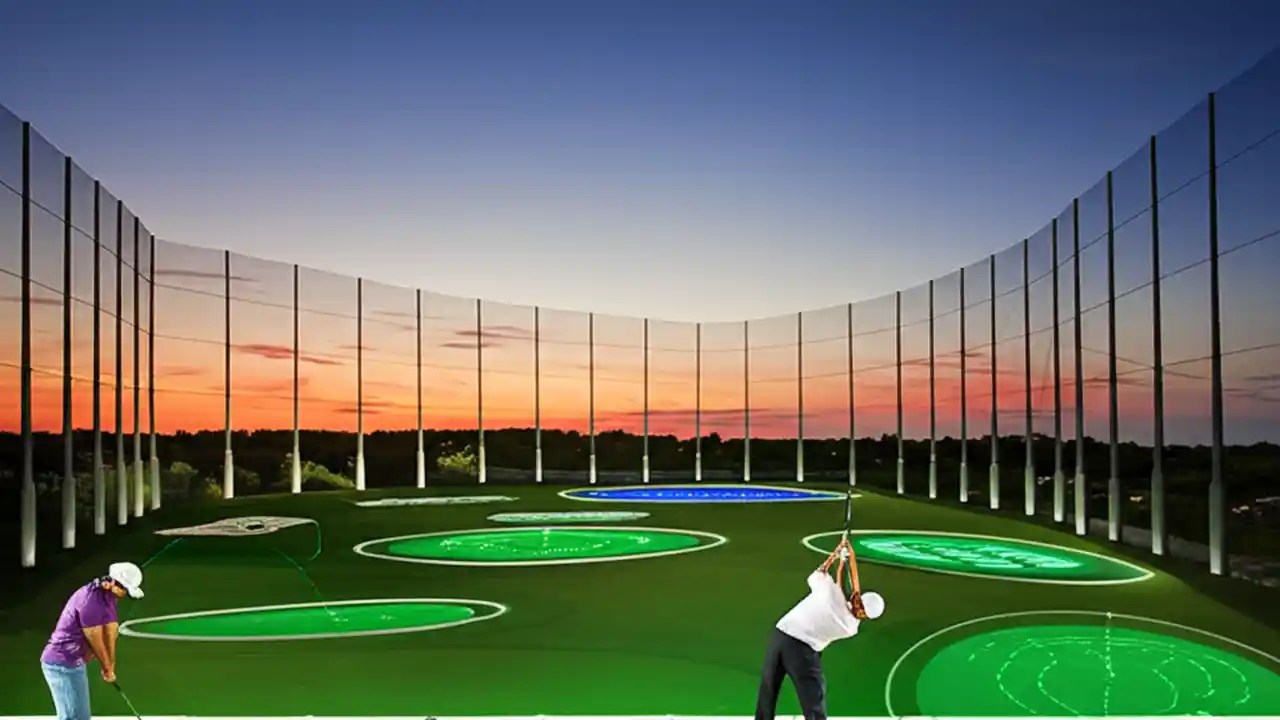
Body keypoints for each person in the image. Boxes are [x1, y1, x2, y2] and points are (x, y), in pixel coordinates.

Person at [754, 537, 884, 720]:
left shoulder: (831, 594)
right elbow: (838, 594)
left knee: (768, 691)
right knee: (813, 698)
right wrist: (842, 563)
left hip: (780, 635)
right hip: (801, 652)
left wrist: (837, 557)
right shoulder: (850, 627)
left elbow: (817, 576)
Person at [40, 562, 145, 720]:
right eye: (124, 589)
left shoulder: (109, 596)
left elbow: (111, 630)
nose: (125, 594)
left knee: (80, 717)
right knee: (74, 718)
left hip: (75, 662)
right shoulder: (89, 600)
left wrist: (110, 666)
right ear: (112, 583)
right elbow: (96, 640)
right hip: (61, 664)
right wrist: (106, 666)